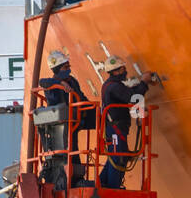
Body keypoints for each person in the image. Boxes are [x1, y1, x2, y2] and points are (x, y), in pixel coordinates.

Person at [38, 50, 95, 187]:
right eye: (65, 67)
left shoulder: (72, 81)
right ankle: (66, 181)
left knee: (73, 151)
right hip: (60, 125)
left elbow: (80, 96)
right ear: (57, 69)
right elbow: (42, 82)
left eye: (68, 66)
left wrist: (92, 107)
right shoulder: (51, 84)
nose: (68, 69)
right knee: (65, 152)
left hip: (73, 121)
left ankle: (75, 180)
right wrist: (59, 83)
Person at [97, 56, 153, 189]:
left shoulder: (110, 86)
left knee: (115, 157)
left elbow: (126, 95)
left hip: (115, 129)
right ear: (117, 71)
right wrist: (144, 82)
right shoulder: (115, 87)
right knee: (118, 158)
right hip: (115, 129)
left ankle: (101, 185)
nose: (125, 72)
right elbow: (133, 97)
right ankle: (112, 189)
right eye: (123, 69)